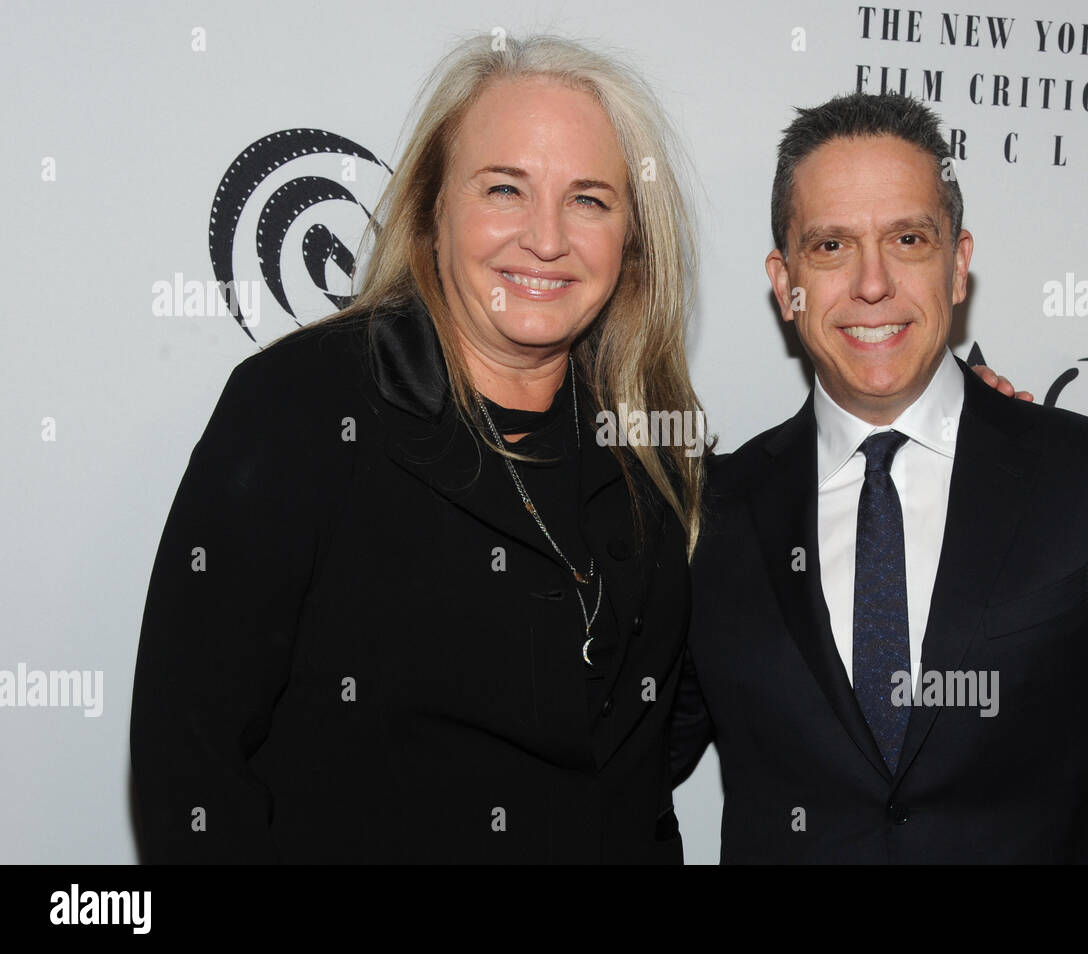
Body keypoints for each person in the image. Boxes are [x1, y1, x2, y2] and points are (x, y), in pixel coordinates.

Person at [130, 32, 708, 864]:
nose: (546, 239)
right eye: (504, 188)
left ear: (633, 236)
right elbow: (190, 766)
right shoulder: (302, 409)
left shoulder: (646, 455)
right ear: (434, 209)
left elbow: (637, 788)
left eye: (589, 199)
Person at [670, 92, 1088, 863]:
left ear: (958, 264)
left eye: (908, 238)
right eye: (831, 246)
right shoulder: (712, 513)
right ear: (785, 281)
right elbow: (620, 771)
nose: (873, 284)